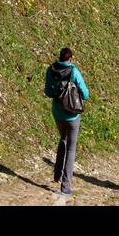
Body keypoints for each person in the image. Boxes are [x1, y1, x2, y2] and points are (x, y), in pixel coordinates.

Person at [44, 46, 90, 195]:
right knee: (71, 148)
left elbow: (48, 92)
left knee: (62, 139)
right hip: (72, 116)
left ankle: (57, 175)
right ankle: (65, 187)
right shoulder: (74, 71)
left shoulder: (51, 70)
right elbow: (86, 94)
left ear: (60, 57)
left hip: (57, 114)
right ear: (70, 59)